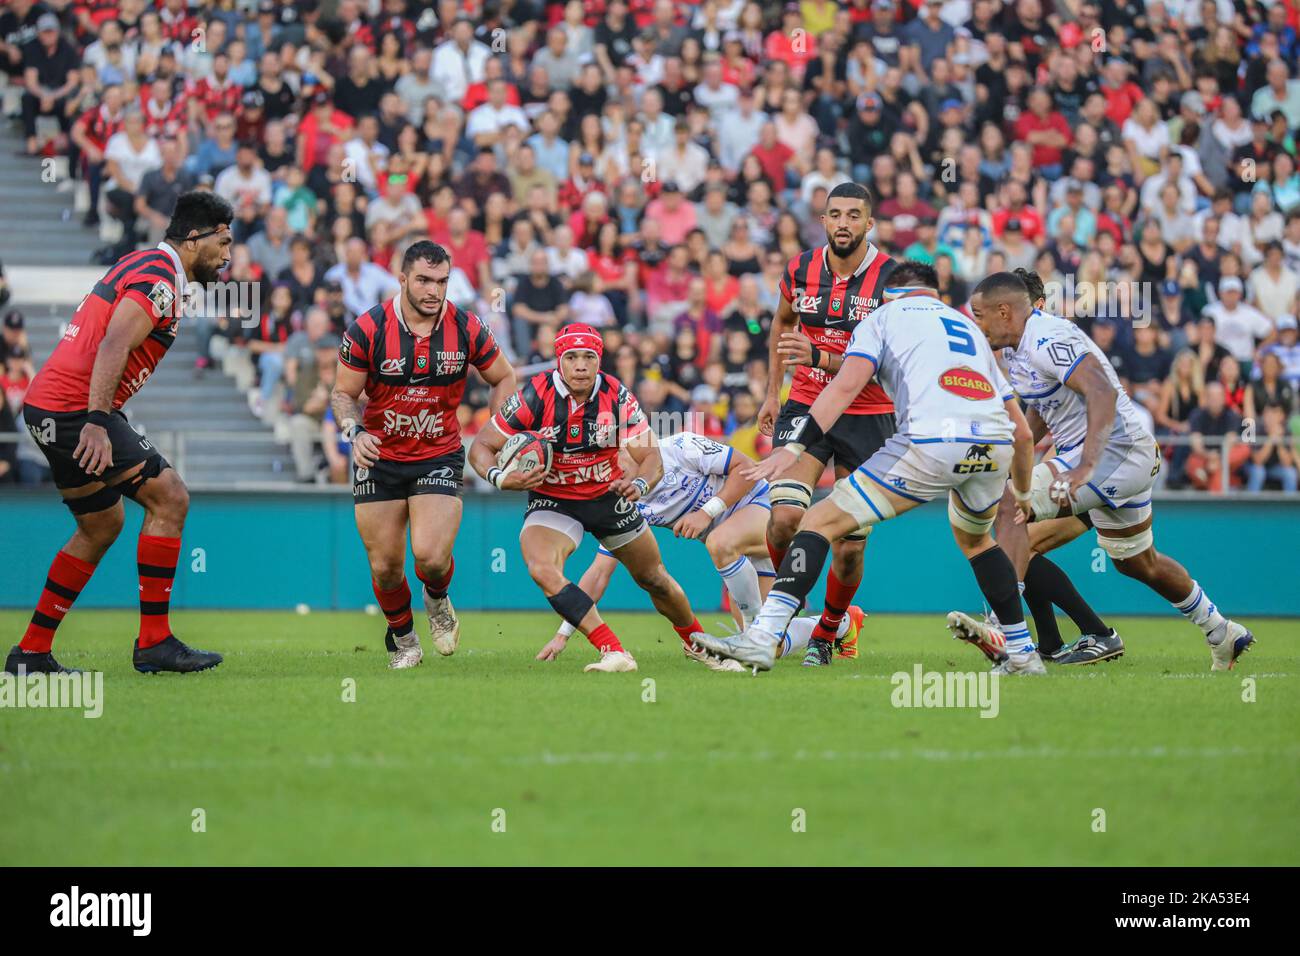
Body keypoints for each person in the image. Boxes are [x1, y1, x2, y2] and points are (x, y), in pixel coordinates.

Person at [696, 261, 1044, 676]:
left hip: (930, 441)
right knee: (978, 542)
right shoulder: (967, 327)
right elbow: (1022, 432)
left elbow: (844, 385)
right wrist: (1021, 494)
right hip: (994, 445)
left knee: (817, 523)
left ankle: (763, 637)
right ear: (933, 293)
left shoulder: (881, 317)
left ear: (887, 294)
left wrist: (795, 447)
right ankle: (1023, 654)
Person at [962, 272, 1255, 672]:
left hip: (1112, 453)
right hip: (1121, 458)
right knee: (1137, 562)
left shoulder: (1047, 338)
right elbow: (1042, 408)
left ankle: (1007, 633)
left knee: (1012, 502)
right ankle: (1221, 631)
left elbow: (1101, 390)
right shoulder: (1014, 349)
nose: (975, 324)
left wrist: (1084, 465)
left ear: (1004, 311)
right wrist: (1015, 453)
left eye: (979, 316)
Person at [9, 191, 233, 676]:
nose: (229, 255)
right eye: (224, 242)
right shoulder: (160, 279)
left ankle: (30, 653)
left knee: (101, 524)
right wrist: (96, 420)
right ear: (194, 239)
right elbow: (114, 340)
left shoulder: (148, 263)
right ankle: (154, 642)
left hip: (49, 404)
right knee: (170, 498)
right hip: (75, 408)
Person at [469, 323, 706, 673]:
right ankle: (613, 650)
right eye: (572, 357)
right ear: (558, 361)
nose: (580, 365)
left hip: (607, 496)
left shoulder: (617, 395)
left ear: (599, 360)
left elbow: (651, 458)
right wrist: (502, 478)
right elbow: (481, 447)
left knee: (653, 577)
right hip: (553, 499)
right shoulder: (533, 395)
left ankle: (699, 644)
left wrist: (639, 486)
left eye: (589, 357)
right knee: (542, 568)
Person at [330, 241, 516, 669]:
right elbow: (343, 393)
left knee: (431, 559)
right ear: (402, 279)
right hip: (378, 457)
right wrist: (352, 431)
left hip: (438, 454)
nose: (434, 290)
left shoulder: (467, 327)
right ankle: (405, 637)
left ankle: (437, 599)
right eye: (425, 280)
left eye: (443, 281)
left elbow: (503, 378)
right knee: (386, 568)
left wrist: (498, 433)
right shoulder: (367, 328)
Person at [540, 431, 866, 667]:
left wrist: (706, 512)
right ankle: (842, 624)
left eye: (615, 461)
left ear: (628, 449)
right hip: (737, 550)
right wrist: (564, 633)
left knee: (720, 542)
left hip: (762, 511)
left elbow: (747, 468)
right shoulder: (622, 501)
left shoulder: (679, 447)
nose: (612, 472)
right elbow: (598, 573)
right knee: (775, 646)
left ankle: (752, 635)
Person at [759, 181, 898, 667]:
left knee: (849, 548)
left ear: (869, 223)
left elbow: (888, 360)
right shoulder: (799, 268)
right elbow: (780, 324)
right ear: (823, 220)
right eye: (834, 214)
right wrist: (772, 392)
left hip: (869, 415)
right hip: (806, 405)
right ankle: (788, 619)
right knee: (783, 520)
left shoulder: (891, 279)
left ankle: (830, 630)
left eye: (853, 215)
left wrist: (820, 354)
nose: (843, 223)